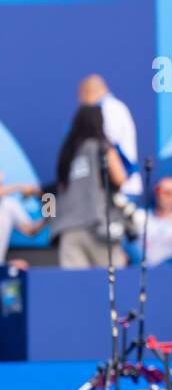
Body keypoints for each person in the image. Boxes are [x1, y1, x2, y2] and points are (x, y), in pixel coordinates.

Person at [49, 104, 130, 268]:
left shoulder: (68, 154)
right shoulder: (102, 146)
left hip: (68, 231)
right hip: (96, 224)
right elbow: (120, 178)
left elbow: (54, 193)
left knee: (76, 287)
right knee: (113, 285)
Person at [0, 173, 45, 267]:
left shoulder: (10, 204)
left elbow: (30, 231)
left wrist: (48, 216)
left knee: (21, 266)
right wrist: (20, 187)